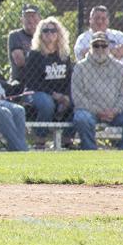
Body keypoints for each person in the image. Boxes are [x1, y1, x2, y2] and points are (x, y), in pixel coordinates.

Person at [70, 31, 123, 150]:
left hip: (115, 112)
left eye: (104, 45)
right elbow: (78, 96)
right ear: (90, 47)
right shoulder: (80, 67)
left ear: (109, 47)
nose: (100, 49)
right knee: (81, 118)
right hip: (89, 111)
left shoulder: (119, 67)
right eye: (96, 46)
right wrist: (97, 111)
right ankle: (90, 151)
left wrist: (115, 110)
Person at [23, 17, 74, 148]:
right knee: (47, 103)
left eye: (53, 30)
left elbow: (70, 79)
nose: (49, 33)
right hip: (36, 92)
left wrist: (66, 96)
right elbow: (32, 82)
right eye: (45, 31)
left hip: (60, 93)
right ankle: (40, 139)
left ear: (59, 34)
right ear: (40, 34)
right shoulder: (35, 54)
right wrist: (54, 94)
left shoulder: (64, 55)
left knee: (77, 102)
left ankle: (67, 139)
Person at [7, 4, 41, 87]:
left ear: (40, 19)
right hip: (21, 81)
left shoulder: (45, 35)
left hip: (42, 80)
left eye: (33, 16)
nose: (30, 19)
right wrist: (42, 61)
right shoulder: (15, 35)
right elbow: (20, 61)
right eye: (27, 16)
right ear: (21, 20)